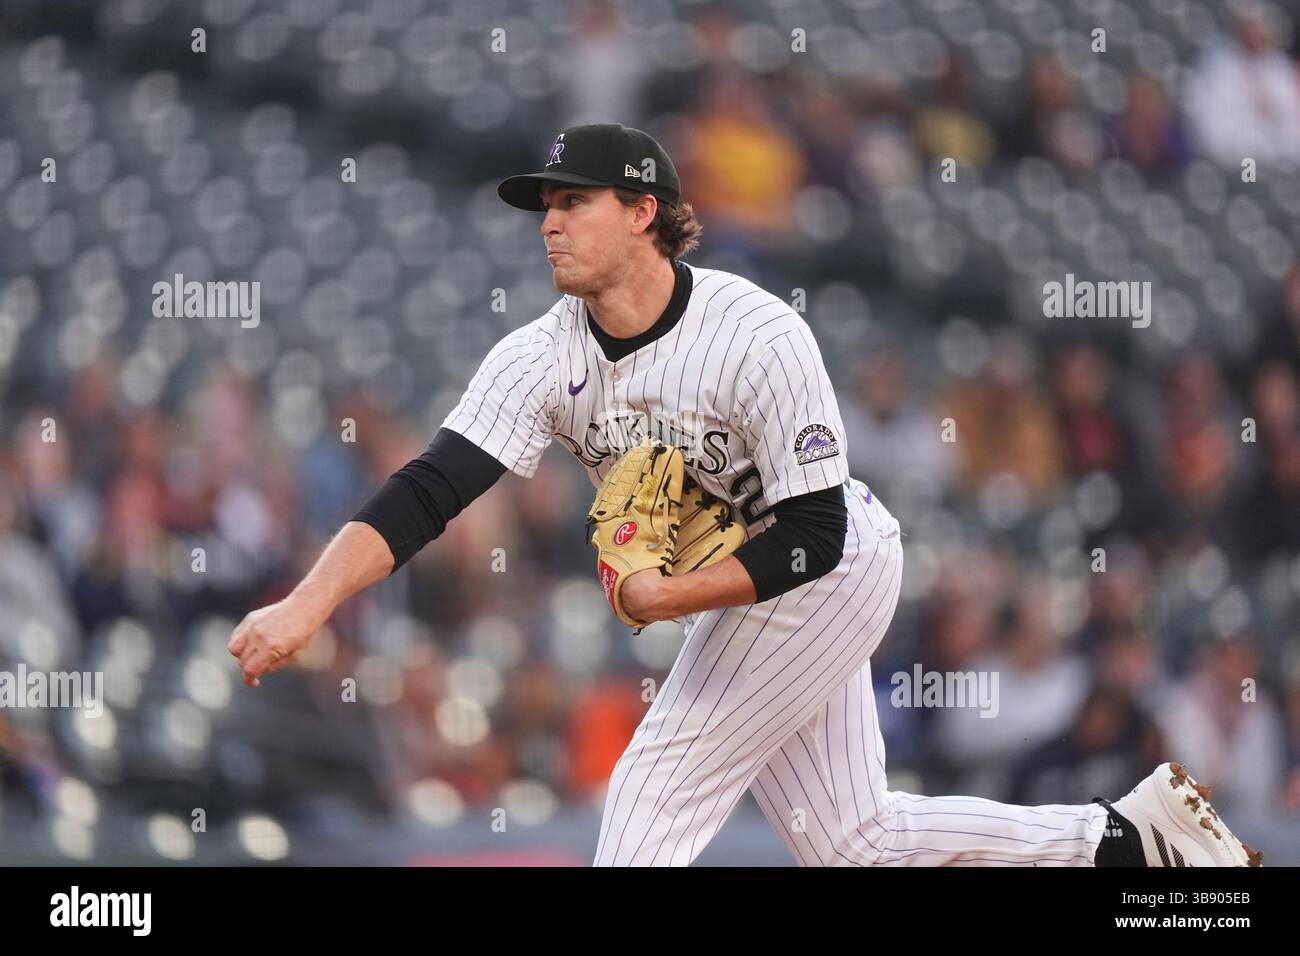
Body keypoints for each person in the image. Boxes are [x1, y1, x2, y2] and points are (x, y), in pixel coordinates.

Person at [228, 123, 1261, 867]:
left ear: (642, 211)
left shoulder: (755, 331)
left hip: (830, 559)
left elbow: (810, 533)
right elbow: (428, 489)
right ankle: (1130, 840)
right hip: (742, 585)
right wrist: (306, 604)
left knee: (648, 788)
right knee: (853, 842)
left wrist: (662, 600)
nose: (549, 224)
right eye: (543, 207)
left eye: (572, 202)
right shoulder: (539, 356)